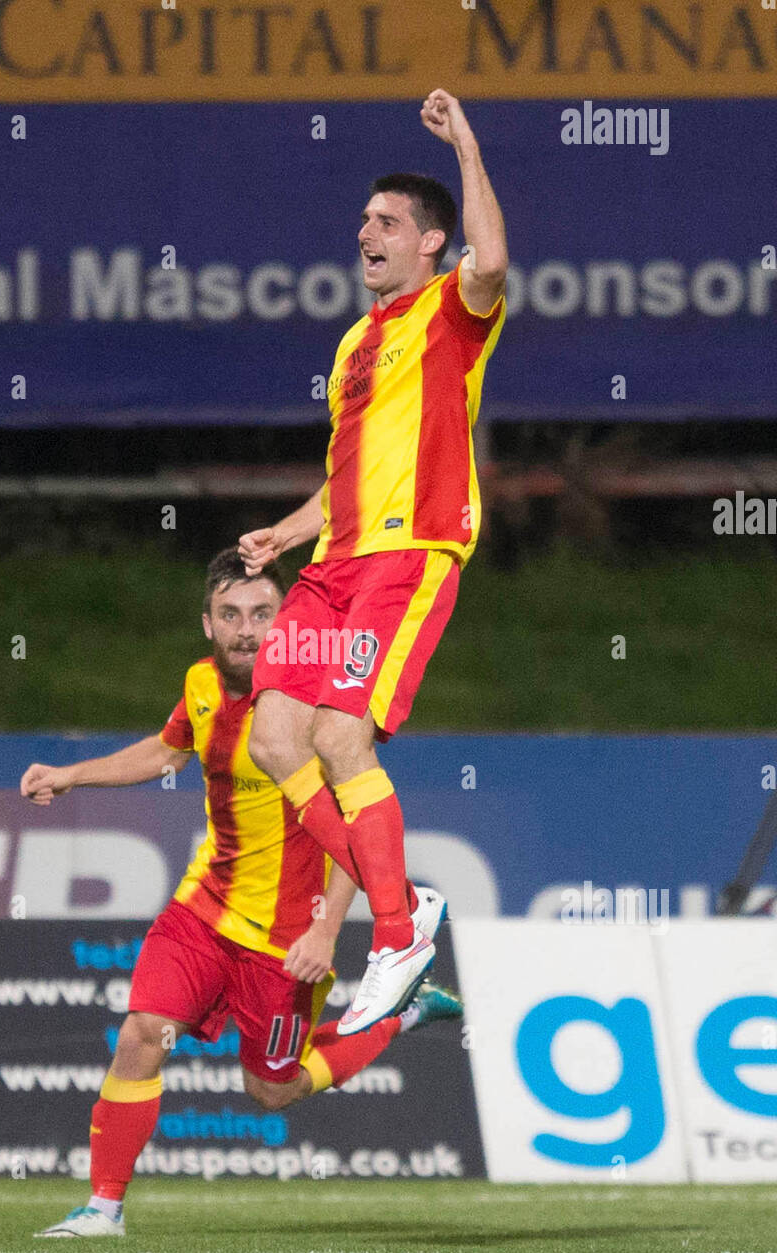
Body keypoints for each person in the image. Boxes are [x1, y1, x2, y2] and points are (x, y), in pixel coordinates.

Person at [20, 549, 460, 1237]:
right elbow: (167, 752)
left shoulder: (319, 707)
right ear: (207, 624)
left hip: (288, 939)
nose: (246, 630)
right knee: (140, 1034)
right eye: (230, 615)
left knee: (270, 1089)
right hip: (203, 912)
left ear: (289, 622)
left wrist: (324, 932)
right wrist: (72, 774)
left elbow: (359, 833)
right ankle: (102, 1208)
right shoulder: (200, 685)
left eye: (262, 614)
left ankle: (395, 1016)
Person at [239, 90, 508, 1034]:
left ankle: (394, 935)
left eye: (387, 222)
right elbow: (343, 479)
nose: (367, 233)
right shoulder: (356, 341)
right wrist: (287, 531)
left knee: (344, 740)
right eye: (362, 221)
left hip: (409, 557)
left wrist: (467, 148)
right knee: (274, 737)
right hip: (332, 565)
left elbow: (498, 260)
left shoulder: (453, 310)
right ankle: (408, 911)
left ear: (430, 243)